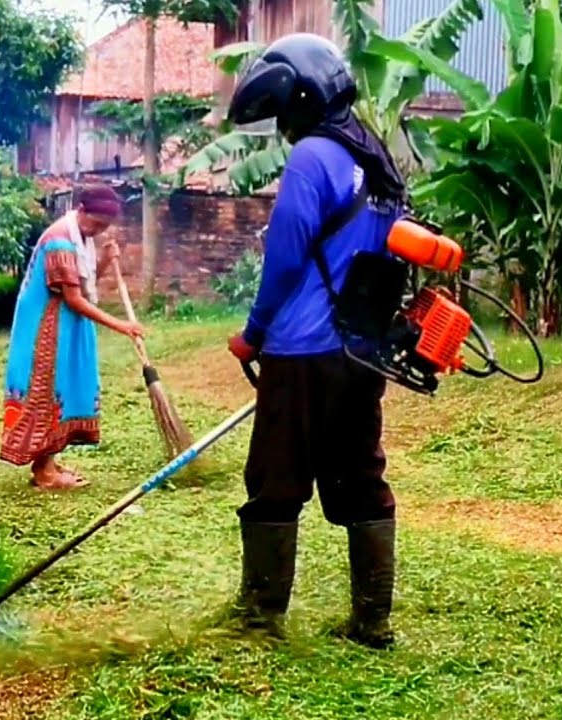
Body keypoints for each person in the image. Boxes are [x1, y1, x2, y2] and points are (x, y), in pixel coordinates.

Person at [222, 33, 410, 648]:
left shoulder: (311, 158)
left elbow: (283, 259)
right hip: (362, 352)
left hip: (302, 350)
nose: (281, 125)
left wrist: (253, 334)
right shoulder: (372, 157)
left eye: (283, 111)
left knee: (276, 478)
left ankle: (260, 618)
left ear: (301, 100)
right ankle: (372, 621)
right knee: (361, 475)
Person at [0, 185, 144, 490]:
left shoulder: (80, 240)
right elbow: (74, 299)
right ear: (80, 210)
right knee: (46, 390)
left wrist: (105, 259)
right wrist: (122, 326)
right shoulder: (60, 242)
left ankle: (48, 462)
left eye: (104, 227)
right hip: (46, 328)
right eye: (95, 224)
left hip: (65, 327)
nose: (98, 231)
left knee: (62, 388)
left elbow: (85, 282)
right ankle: (45, 474)